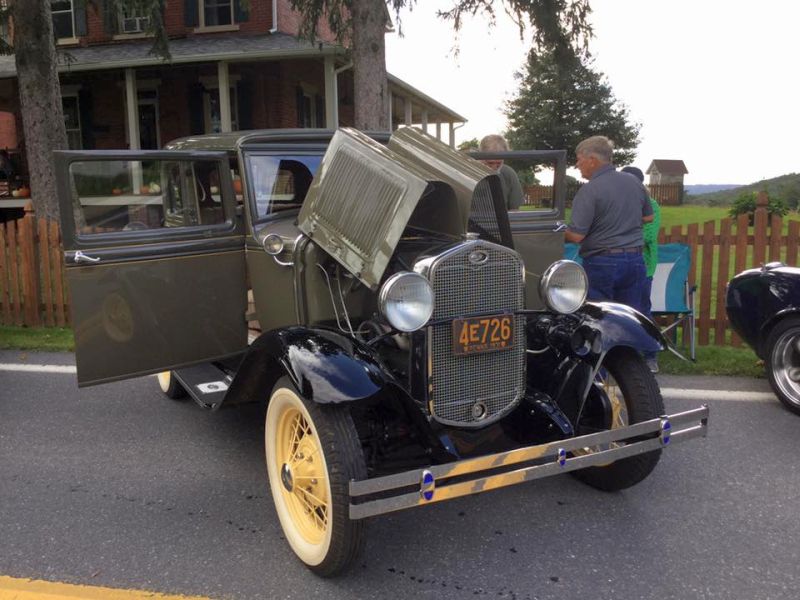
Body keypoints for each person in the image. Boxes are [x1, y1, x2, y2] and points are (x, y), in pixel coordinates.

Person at [565, 134, 654, 318]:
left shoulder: (590, 190)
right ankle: (642, 348)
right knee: (636, 317)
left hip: (602, 263)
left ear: (592, 160)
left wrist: (557, 229)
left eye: (579, 160)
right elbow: (649, 217)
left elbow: (576, 236)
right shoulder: (634, 181)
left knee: (599, 318)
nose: (577, 165)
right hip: (636, 260)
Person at [622, 165, 662, 372]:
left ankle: (650, 356)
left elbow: (647, 236)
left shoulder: (651, 205)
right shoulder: (617, 203)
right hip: (619, 264)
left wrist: (616, 231)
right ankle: (623, 357)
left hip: (643, 267)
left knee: (641, 311)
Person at [479, 134, 524, 210]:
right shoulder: (468, 174)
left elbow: (515, 209)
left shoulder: (509, 174)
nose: (494, 167)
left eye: (498, 163)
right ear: (480, 156)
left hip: (502, 221)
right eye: (490, 163)